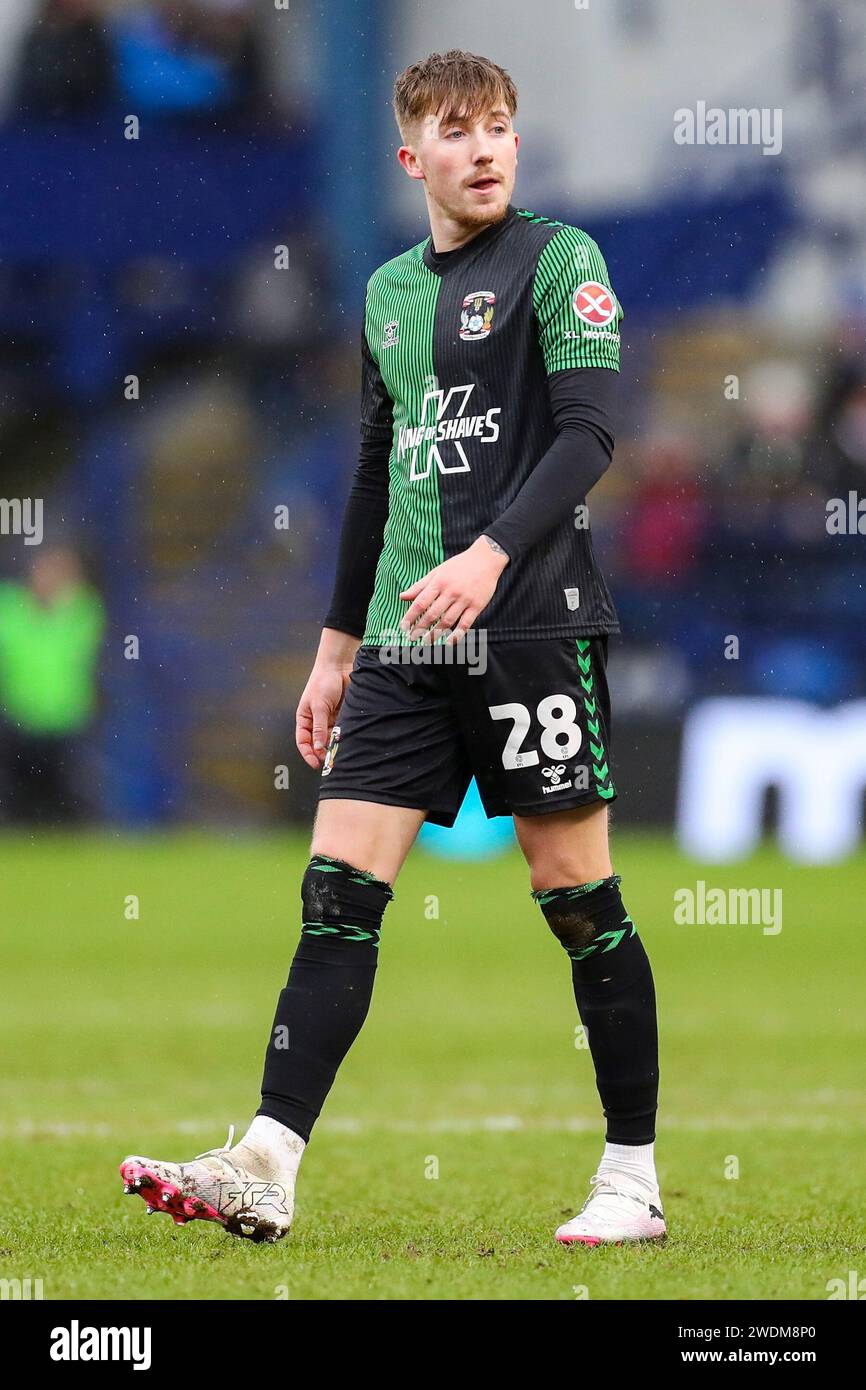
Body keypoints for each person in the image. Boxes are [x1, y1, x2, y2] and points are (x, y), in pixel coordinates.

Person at [120, 49, 663, 1248]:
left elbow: (587, 436)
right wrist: (334, 649)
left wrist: (490, 555)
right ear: (411, 156)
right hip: (403, 644)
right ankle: (266, 1159)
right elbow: (377, 473)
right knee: (335, 896)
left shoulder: (559, 261)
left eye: (499, 126)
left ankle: (631, 1178)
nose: (484, 148)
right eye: (456, 130)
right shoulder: (385, 294)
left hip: (528, 627)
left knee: (576, 898)